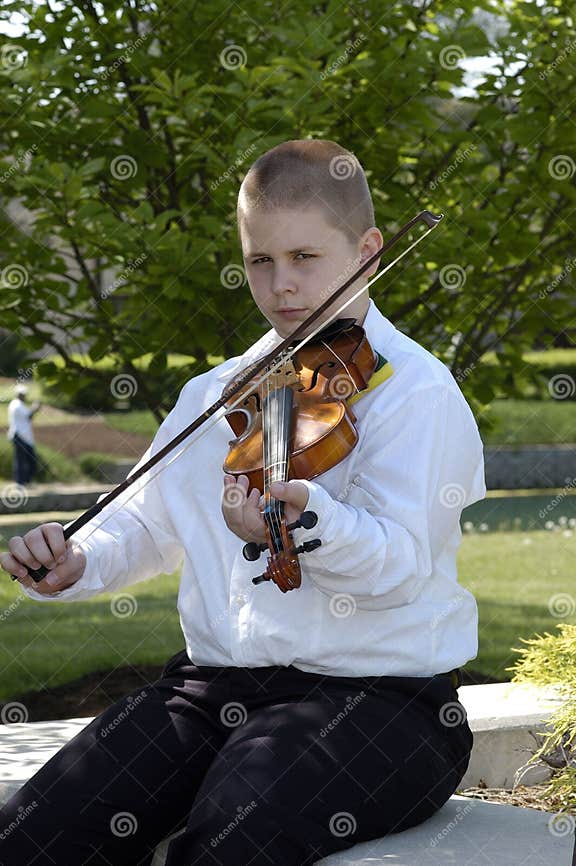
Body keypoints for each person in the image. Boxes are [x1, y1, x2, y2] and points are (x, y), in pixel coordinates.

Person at [0, 139, 486, 866]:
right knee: (37, 832)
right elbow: (143, 521)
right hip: (209, 692)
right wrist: (78, 561)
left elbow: (402, 565)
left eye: (304, 258)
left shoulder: (417, 392)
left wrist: (303, 523)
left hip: (380, 702)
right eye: (261, 261)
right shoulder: (218, 394)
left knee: (238, 835)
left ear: (368, 250)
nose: (282, 285)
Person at [6, 383, 42, 486]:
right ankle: (20, 482)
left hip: (24, 436)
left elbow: (28, 417)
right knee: (21, 460)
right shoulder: (16, 404)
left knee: (28, 459)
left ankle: (26, 481)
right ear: (18, 394)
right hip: (19, 435)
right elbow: (29, 415)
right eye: (22, 394)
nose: (24, 396)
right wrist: (35, 407)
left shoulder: (20, 404)